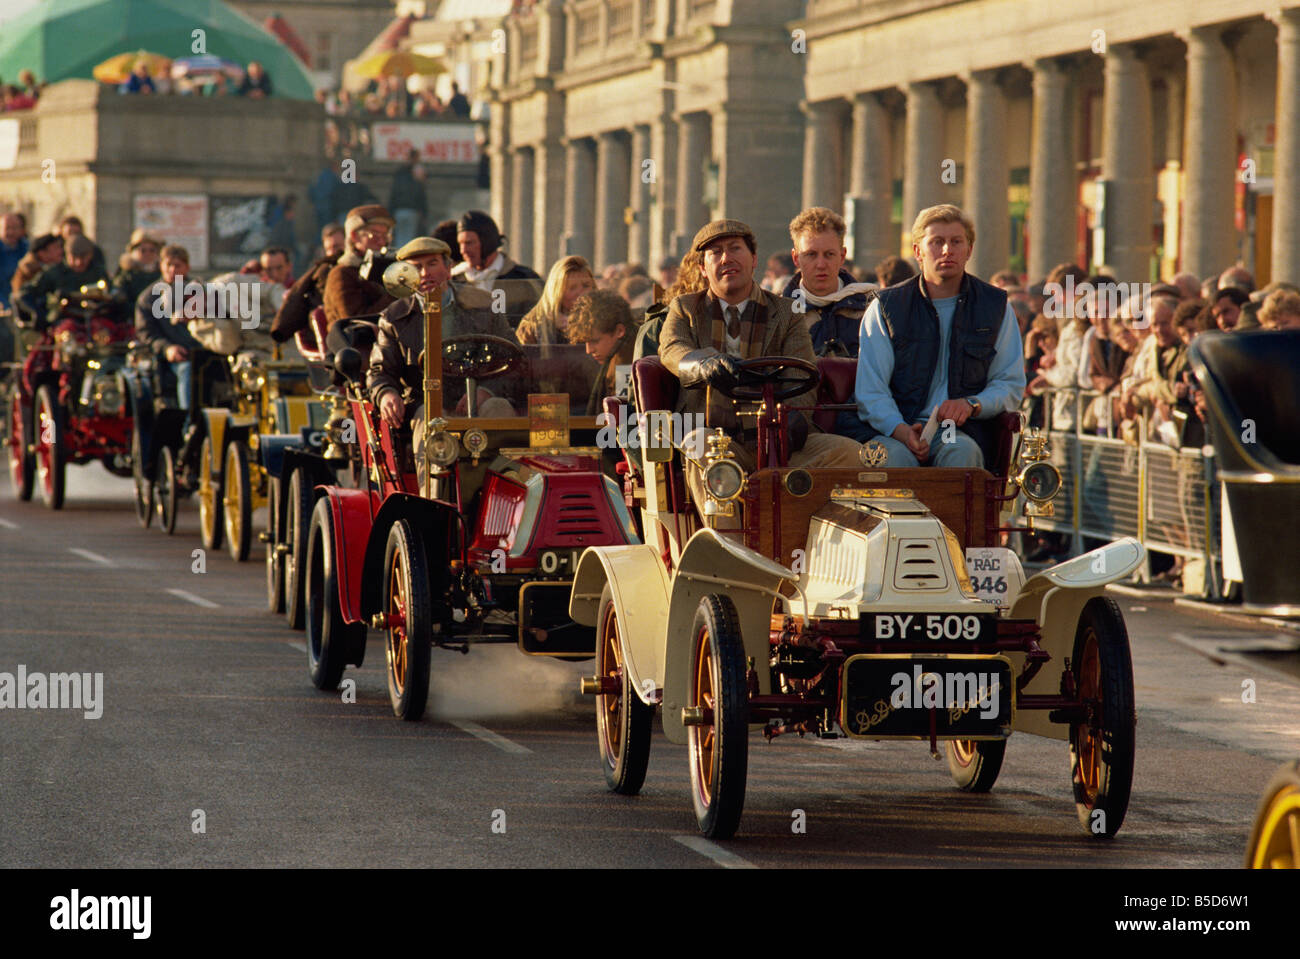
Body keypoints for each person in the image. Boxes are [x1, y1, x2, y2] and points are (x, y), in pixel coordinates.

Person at [659, 218, 863, 519]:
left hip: (778, 437)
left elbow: (803, 374)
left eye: (735, 249)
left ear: (753, 260)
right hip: (717, 437)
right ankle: (730, 554)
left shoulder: (786, 313)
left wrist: (788, 427)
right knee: (700, 445)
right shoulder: (686, 309)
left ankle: (816, 546)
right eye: (715, 252)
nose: (726, 258)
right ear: (703, 268)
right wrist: (704, 364)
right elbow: (671, 350)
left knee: (852, 454)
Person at [848, 204, 1025, 468]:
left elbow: (1009, 384)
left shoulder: (996, 306)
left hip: (957, 431)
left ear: (969, 250)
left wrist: (972, 404)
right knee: (895, 460)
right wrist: (901, 430)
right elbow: (871, 390)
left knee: (962, 455)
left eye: (956, 241)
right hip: (894, 427)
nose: (947, 250)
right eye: (937, 242)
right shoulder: (886, 306)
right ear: (918, 251)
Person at [367, 237, 516, 484]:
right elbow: (379, 370)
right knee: (429, 419)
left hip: (478, 400)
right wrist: (386, 393)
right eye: (416, 266)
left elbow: (513, 361)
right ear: (403, 275)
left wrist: (487, 392)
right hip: (425, 404)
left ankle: (503, 496)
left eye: (432, 263)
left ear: (448, 269)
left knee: (498, 409)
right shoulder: (393, 318)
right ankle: (434, 502)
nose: (425, 273)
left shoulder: (483, 305)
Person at [782, 206, 878, 358]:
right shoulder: (780, 314)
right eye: (811, 254)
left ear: (842, 256)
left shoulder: (872, 307)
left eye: (829, 254)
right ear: (796, 258)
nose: (821, 264)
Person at [567, 289, 638, 414]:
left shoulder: (623, 365)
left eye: (595, 341)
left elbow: (623, 419)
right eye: (586, 342)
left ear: (619, 331)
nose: (589, 350)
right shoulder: (633, 343)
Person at [15, 235, 110, 329]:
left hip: (95, 321)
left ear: (91, 254)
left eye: (83, 257)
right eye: (74, 257)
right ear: (67, 254)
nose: (79, 262)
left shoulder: (99, 273)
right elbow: (23, 294)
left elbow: (112, 294)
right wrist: (37, 313)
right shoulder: (53, 273)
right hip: (61, 323)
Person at [516, 255, 594, 344]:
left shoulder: (603, 320)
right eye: (572, 288)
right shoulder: (532, 325)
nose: (581, 293)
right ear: (557, 292)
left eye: (586, 285)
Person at [110, 228, 163, 314]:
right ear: (133, 252)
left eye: (152, 250)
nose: (147, 254)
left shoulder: (163, 274)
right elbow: (119, 297)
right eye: (143, 250)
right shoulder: (126, 274)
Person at [389, 149, 427, 248]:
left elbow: (393, 194)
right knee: (409, 237)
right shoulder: (417, 172)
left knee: (399, 238)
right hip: (412, 209)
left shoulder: (399, 173)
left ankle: (399, 257)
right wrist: (424, 212)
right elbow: (420, 194)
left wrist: (390, 211)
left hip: (399, 209)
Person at [0, 211, 28, 310]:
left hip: (22, 304)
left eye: (15, 228)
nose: (11, 232)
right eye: (7, 228)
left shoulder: (27, 249)